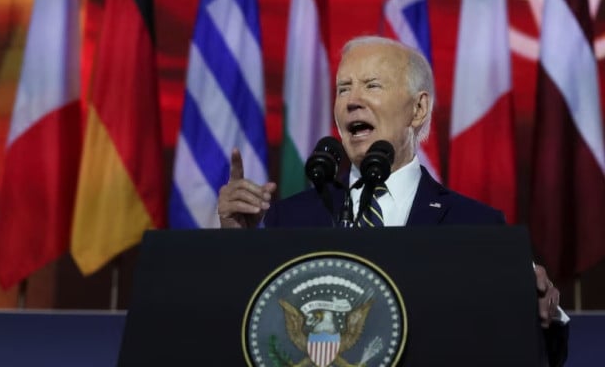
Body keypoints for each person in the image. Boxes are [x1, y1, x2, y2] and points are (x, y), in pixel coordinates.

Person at [218, 35, 568, 365]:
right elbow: (252, 338)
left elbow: (532, 354)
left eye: (372, 85)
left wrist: (542, 315)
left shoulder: (475, 226)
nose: (352, 100)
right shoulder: (290, 219)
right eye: (343, 88)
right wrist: (236, 248)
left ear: (418, 109)